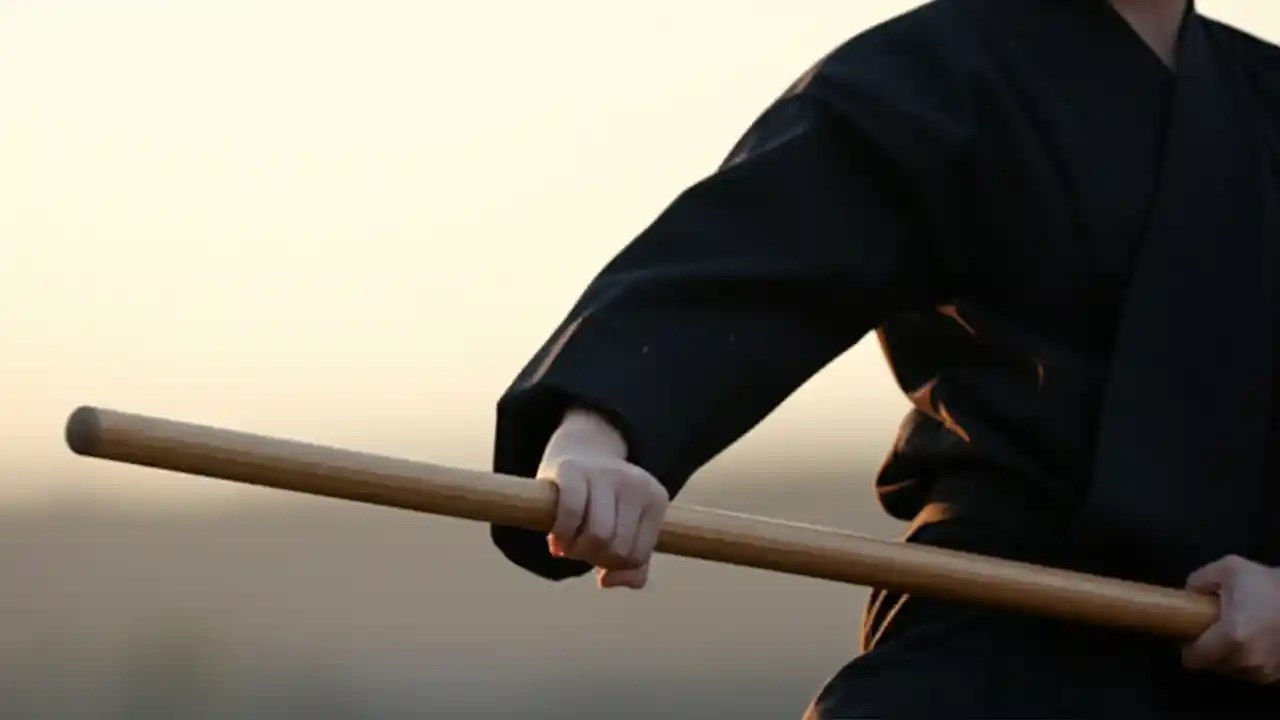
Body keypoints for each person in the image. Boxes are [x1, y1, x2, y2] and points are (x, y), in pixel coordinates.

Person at [486, 0, 1280, 716]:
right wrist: (595, 438)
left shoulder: (1264, 96)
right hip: (996, 656)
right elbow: (741, 261)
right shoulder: (941, 74)